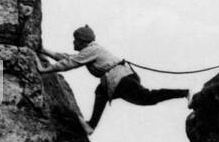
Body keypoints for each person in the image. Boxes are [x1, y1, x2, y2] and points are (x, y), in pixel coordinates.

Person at [38, 26, 189, 134]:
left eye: (75, 40)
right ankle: (91, 125)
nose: (73, 43)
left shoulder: (92, 50)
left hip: (121, 79)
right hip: (120, 77)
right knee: (101, 92)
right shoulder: (89, 50)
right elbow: (69, 58)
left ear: (82, 41)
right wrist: (45, 51)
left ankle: (184, 93)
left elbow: (69, 63)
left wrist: (44, 70)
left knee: (146, 98)